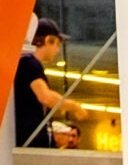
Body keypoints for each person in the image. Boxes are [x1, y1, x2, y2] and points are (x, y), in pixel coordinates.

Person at [13, 18, 79, 150]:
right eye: (57, 44)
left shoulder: (28, 64)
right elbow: (45, 97)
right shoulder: (30, 64)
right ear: (48, 39)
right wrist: (74, 106)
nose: (58, 50)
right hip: (30, 142)